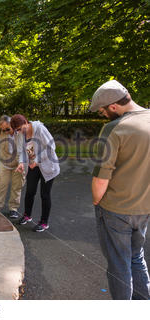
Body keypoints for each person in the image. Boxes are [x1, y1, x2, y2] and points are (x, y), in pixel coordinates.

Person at [90, 79, 150, 300]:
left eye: (102, 111)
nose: (102, 115)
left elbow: (100, 180)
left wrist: (97, 201)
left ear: (113, 106)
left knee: (119, 264)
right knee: (136, 257)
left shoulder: (113, 128)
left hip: (115, 209)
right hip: (144, 208)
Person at [12, 114, 60, 232]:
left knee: (44, 194)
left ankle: (44, 222)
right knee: (29, 191)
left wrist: (37, 160)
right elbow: (22, 151)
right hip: (33, 166)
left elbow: (51, 147)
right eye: (17, 130)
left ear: (26, 122)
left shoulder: (40, 129)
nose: (19, 132)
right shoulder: (21, 134)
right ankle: (27, 215)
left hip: (48, 165)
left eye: (20, 128)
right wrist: (21, 163)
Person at [0, 115, 26, 218]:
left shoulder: (20, 132)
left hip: (18, 163)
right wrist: (2, 131)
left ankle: (13, 209)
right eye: (3, 129)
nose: (6, 131)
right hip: (5, 164)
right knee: (1, 186)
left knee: (17, 187)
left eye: (7, 128)